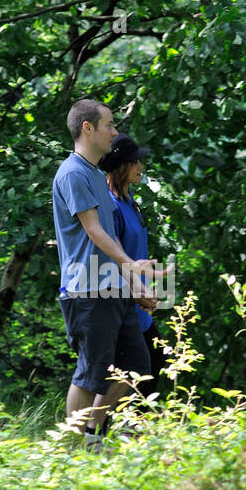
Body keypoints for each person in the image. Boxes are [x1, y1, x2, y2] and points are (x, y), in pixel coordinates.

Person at [52, 100, 165, 450]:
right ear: (88, 128)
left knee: (136, 366)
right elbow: (93, 231)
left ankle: (91, 436)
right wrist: (131, 266)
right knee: (91, 373)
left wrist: (133, 282)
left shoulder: (93, 174)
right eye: (110, 125)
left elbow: (111, 236)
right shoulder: (72, 173)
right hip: (87, 289)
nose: (114, 132)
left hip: (112, 287)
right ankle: (73, 449)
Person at [100, 133, 166, 402]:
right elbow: (111, 257)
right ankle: (99, 432)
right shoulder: (109, 205)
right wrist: (134, 290)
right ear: (122, 165)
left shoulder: (130, 202)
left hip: (139, 301)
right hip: (121, 299)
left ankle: (132, 431)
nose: (141, 166)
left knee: (153, 363)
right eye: (136, 161)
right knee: (125, 370)